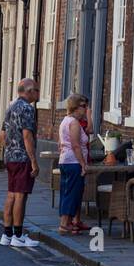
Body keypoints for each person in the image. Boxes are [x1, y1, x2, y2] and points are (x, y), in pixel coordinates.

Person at [0, 78, 41, 248]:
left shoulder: (11, 107)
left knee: (11, 194)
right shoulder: (27, 109)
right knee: (21, 195)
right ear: (28, 91)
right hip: (22, 158)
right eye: (36, 90)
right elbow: (27, 136)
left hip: (10, 157)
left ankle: (7, 234)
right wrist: (33, 161)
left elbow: (2, 135)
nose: (38, 93)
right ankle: (18, 235)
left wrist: (7, 151)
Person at [57, 93, 90, 234]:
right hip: (73, 162)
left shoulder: (65, 121)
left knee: (67, 192)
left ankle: (67, 223)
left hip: (65, 161)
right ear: (75, 107)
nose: (85, 109)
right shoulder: (74, 123)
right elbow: (76, 145)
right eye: (83, 106)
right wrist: (83, 164)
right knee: (72, 193)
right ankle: (64, 224)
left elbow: (60, 144)